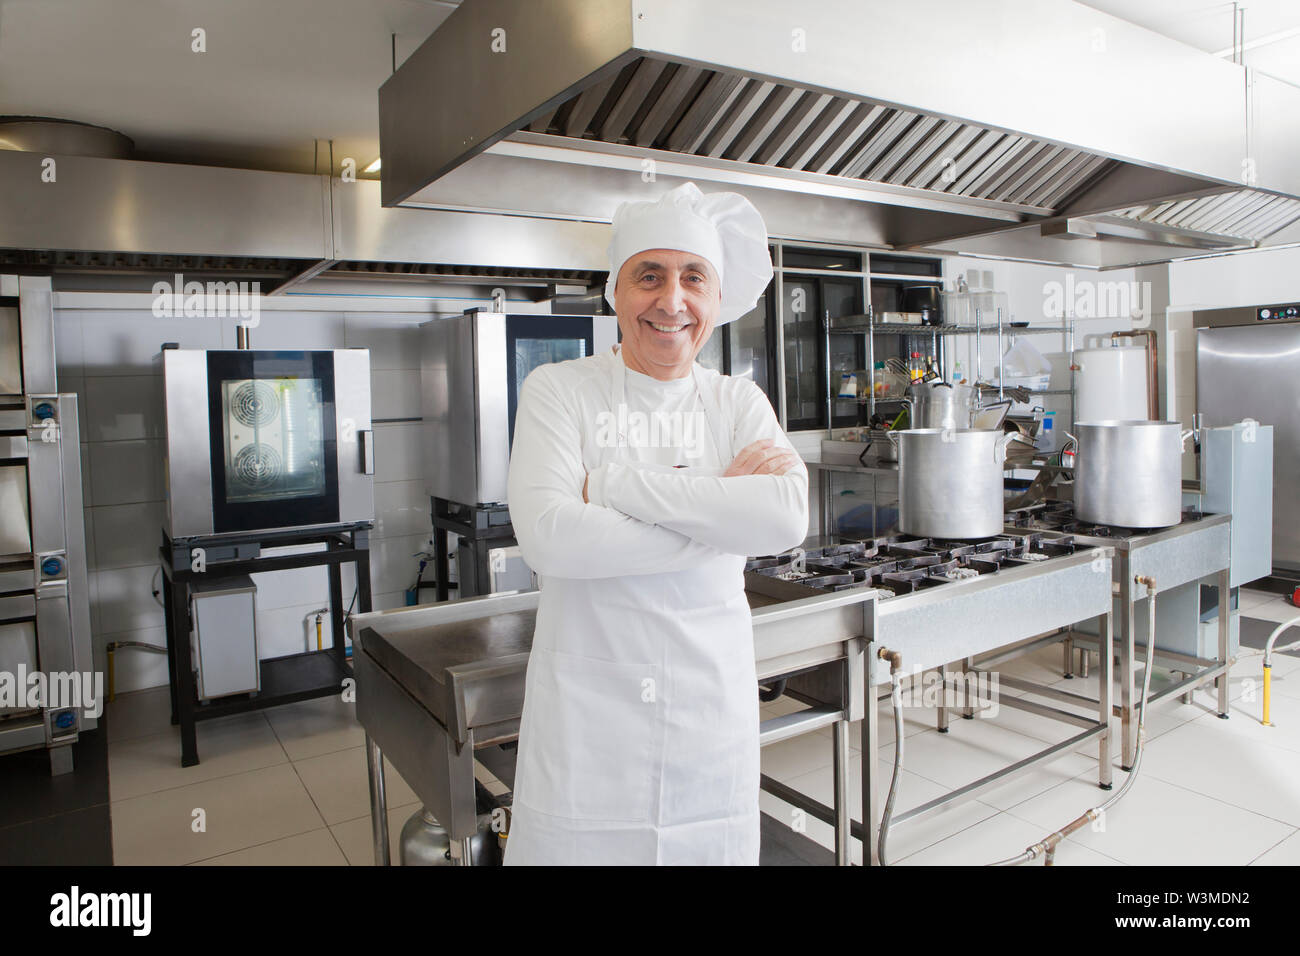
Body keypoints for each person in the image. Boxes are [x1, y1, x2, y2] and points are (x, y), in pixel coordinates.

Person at [504, 182, 809, 865]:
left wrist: (612, 486)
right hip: (588, 721)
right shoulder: (559, 392)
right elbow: (552, 540)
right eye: (650, 276)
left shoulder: (738, 401)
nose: (672, 302)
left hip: (707, 718)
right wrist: (720, 512)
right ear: (617, 290)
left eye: (693, 277)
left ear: (715, 296)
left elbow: (785, 515)